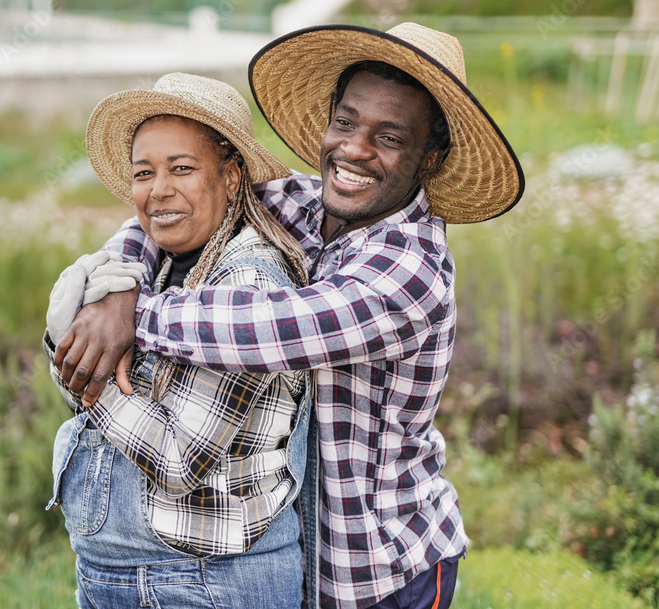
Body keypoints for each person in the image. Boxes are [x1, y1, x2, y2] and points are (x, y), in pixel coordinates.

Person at [51, 23, 525, 609]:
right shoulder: (300, 200)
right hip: (290, 551)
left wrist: (136, 316)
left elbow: (271, 331)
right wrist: (117, 290)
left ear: (428, 159)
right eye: (346, 123)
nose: (354, 149)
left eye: (389, 137)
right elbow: (169, 212)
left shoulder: (413, 271)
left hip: (376, 569)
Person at [44, 72, 315, 608]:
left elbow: (176, 459)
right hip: (125, 571)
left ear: (232, 176)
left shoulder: (246, 284)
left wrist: (67, 358)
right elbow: (118, 402)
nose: (158, 190)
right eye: (144, 173)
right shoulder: (161, 263)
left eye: (183, 169)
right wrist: (86, 353)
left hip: (203, 581)